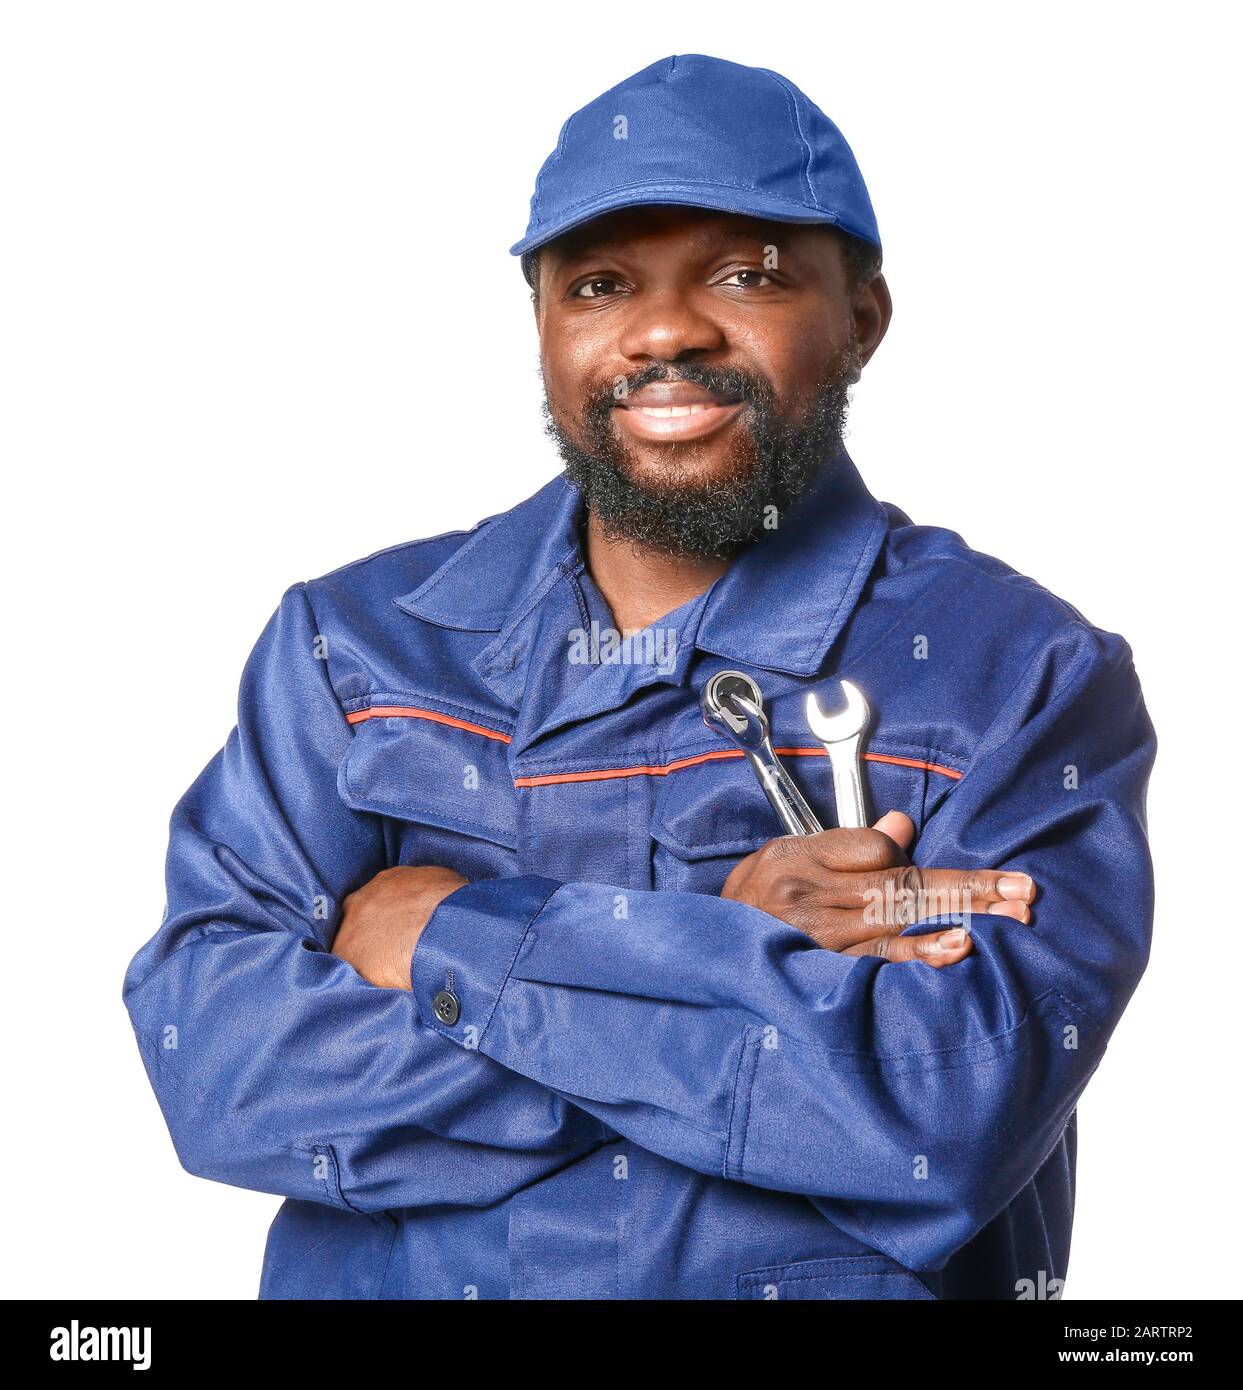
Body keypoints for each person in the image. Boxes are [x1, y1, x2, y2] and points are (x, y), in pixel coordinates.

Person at [123, 53, 1156, 1300]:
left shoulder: (1019, 681)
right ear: (547, 327)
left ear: (863, 319)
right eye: (601, 284)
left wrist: (457, 939)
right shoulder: (353, 651)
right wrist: (735, 969)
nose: (665, 330)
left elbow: (941, 1115)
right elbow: (223, 1073)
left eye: (744, 274)